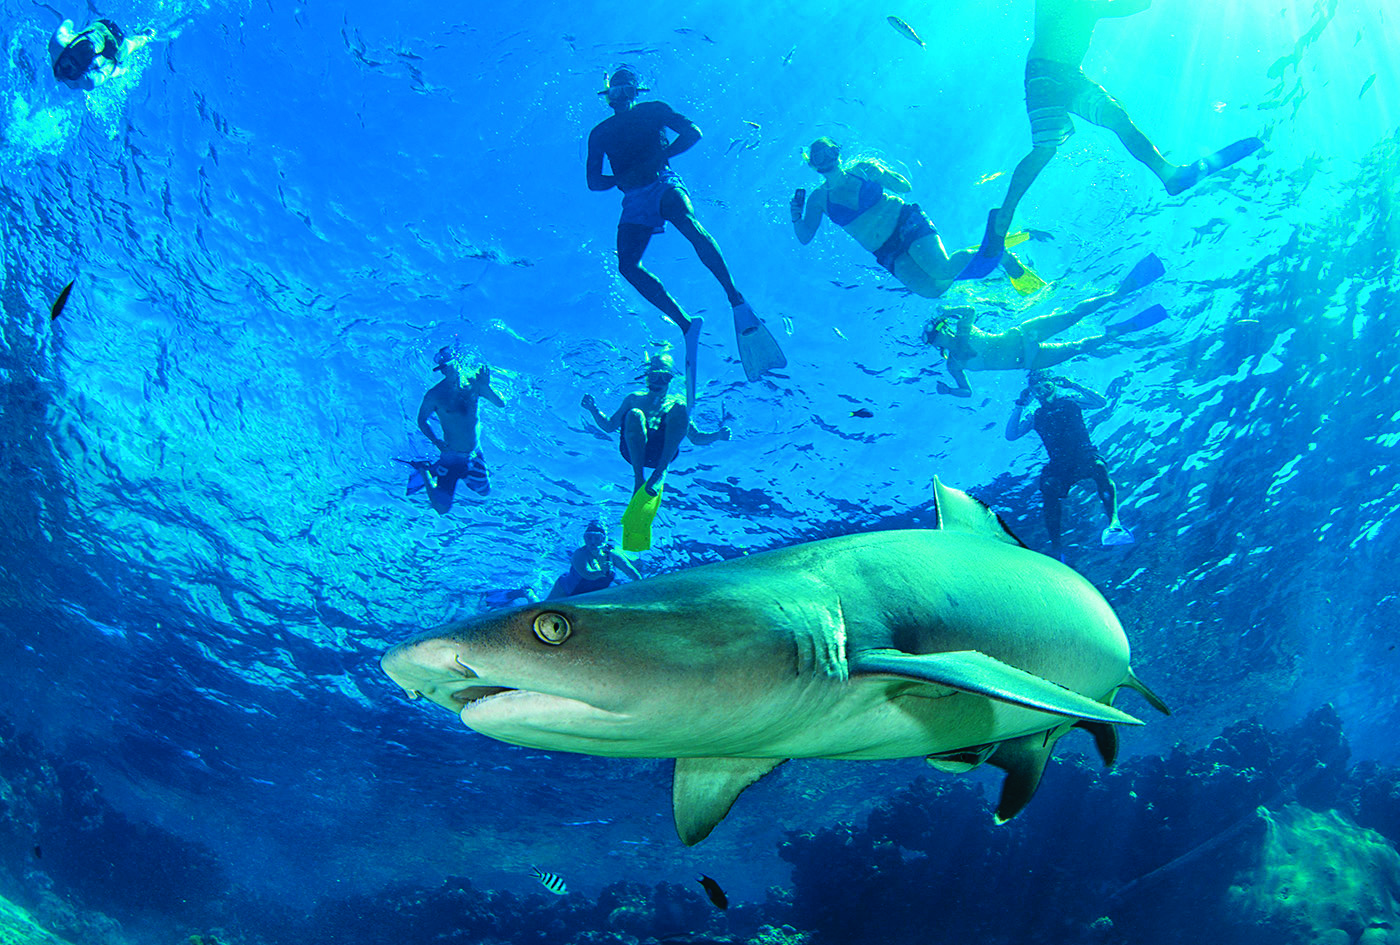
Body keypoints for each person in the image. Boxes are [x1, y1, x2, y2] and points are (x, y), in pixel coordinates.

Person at [962, 0, 1263, 274]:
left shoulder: (1094, 6)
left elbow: (1137, 6)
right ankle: (1003, 218)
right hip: (1044, 74)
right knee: (1045, 149)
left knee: (1119, 119)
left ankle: (1169, 175)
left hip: (1072, 76)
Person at [586, 67, 784, 398]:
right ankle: (686, 323)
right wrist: (625, 177)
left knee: (689, 225)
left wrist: (658, 158)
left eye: (626, 89)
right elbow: (593, 182)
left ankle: (733, 297)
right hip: (633, 198)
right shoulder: (600, 133)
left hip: (663, 181)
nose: (620, 95)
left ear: (636, 91)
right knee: (627, 266)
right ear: (607, 95)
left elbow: (693, 132)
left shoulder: (654, 110)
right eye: (614, 90)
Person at [791, 137, 1044, 297]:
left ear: (838, 153)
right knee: (932, 289)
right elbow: (804, 237)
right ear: (812, 164)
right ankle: (979, 254)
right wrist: (795, 215)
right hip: (886, 251)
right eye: (818, 157)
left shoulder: (863, 169)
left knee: (941, 268)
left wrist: (883, 174)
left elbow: (905, 187)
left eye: (830, 152)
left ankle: (1004, 257)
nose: (826, 159)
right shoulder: (817, 200)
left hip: (905, 224)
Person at [925, 252, 1168, 396]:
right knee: (1080, 347)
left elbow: (969, 309)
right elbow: (967, 392)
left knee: (1073, 315)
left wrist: (948, 309)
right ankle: (1121, 329)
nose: (936, 336)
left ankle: (1119, 292)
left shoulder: (962, 330)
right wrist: (950, 391)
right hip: (1030, 361)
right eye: (932, 338)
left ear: (942, 327)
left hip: (1023, 335)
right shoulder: (953, 366)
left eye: (935, 330)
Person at [1006, 371, 1134, 554]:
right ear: (1032, 393)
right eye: (1037, 390)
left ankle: (1114, 522)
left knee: (1099, 468)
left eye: (1047, 386)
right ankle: (1057, 546)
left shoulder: (1071, 401)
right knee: (1048, 489)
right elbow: (1011, 435)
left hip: (1084, 455)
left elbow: (1101, 402)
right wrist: (1019, 405)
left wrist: (1073, 384)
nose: (1043, 392)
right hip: (1059, 464)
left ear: (1055, 385)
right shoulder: (1035, 415)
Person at [580, 352, 729, 497]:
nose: (658, 382)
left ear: (671, 379)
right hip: (632, 452)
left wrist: (718, 435)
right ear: (647, 377)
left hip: (661, 455)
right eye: (653, 376)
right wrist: (593, 409)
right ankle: (639, 479)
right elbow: (609, 426)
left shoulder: (675, 405)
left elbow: (696, 438)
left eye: (664, 377)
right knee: (635, 414)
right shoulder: (634, 399)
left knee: (681, 406)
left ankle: (660, 472)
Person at [408, 346, 505, 515]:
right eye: (442, 368)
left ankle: (440, 470)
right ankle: (424, 470)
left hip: (475, 453)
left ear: (458, 363)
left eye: (447, 365)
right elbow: (421, 420)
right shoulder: (434, 395)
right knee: (442, 508)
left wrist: (486, 387)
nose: (444, 371)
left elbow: (500, 403)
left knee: (484, 492)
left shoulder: (474, 383)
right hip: (451, 456)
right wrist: (436, 441)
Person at [546, 521, 643, 599]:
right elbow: (587, 574)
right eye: (589, 537)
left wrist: (641, 590)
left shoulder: (612, 554)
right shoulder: (580, 554)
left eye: (597, 537)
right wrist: (602, 572)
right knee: (545, 607)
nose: (593, 542)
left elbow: (631, 572)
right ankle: (530, 594)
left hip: (589, 595)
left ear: (604, 539)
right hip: (566, 589)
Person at [50, 18, 124, 90]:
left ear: (83, 71)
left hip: (115, 43)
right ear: (66, 51)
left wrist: (123, 70)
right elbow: (68, 21)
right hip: (99, 25)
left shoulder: (89, 81)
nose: (62, 71)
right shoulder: (57, 44)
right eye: (64, 61)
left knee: (128, 49)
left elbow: (112, 71)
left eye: (70, 70)